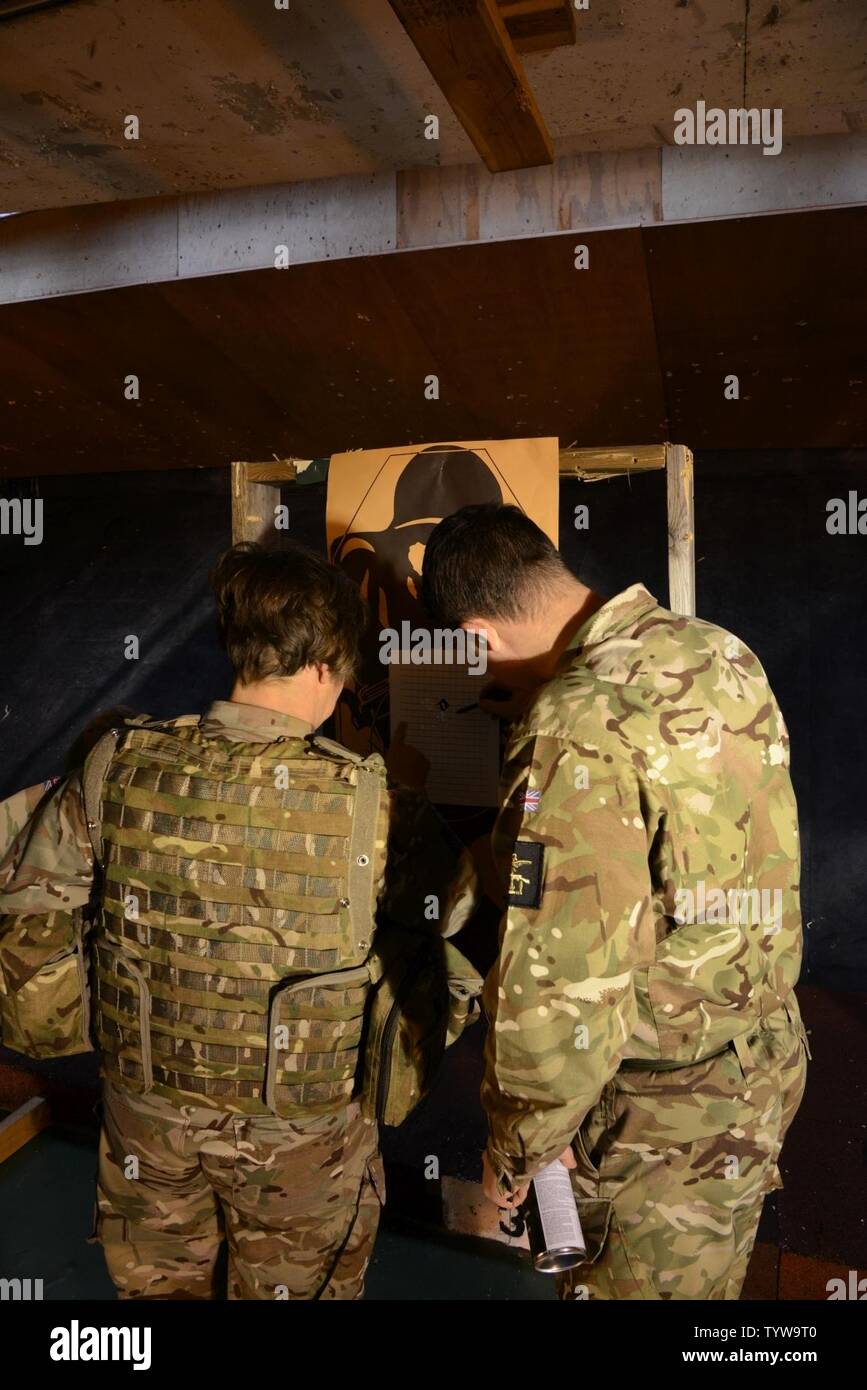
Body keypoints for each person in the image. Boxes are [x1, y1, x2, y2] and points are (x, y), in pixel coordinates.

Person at [0, 541, 475, 1300]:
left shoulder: (115, 762)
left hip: (146, 1115)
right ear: (325, 663)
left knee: (158, 1295)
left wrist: (65, 1028)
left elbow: (32, 902)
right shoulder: (378, 803)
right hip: (300, 1141)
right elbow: (456, 911)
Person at [421, 503, 809, 1300]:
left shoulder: (573, 726)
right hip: (756, 1061)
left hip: (655, 1119)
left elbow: (562, 979)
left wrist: (524, 1144)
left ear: (476, 635)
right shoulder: (715, 648)